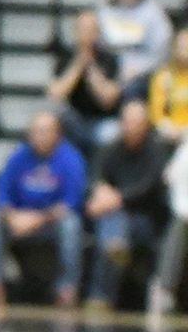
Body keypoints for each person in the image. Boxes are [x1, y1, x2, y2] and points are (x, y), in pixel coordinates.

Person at [0, 110, 86, 308]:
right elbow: (2, 194)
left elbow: (71, 202)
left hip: (51, 222)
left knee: (71, 224)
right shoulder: (18, 157)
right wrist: (12, 217)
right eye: (36, 131)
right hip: (19, 220)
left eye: (46, 131)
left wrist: (38, 219)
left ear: (57, 134)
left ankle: (67, 288)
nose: (40, 136)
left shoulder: (70, 159)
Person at [86, 100, 174, 310]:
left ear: (147, 125)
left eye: (137, 122)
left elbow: (150, 187)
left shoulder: (157, 150)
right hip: (112, 213)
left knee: (115, 228)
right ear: (121, 124)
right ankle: (115, 255)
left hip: (145, 217)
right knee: (113, 227)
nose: (132, 127)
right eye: (128, 122)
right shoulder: (110, 148)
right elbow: (96, 176)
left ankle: (100, 295)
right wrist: (100, 192)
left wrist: (117, 199)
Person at [51, 10, 123, 154]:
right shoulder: (66, 57)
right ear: (76, 31)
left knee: (111, 133)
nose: (87, 34)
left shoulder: (109, 58)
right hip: (74, 118)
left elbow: (109, 99)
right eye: (83, 29)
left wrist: (90, 68)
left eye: (91, 30)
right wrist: (78, 66)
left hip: (102, 119)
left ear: (98, 33)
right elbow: (55, 95)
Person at [99, 0, 174, 97]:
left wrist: (141, 68)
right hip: (110, 69)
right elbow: (98, 43)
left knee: (133, 89)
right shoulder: (106, 12)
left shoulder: (153, 13)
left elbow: (162, 51)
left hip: (143, 73)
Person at [151, 30, 188, 141]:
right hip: (169, 133)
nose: (185, 52)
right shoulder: (164, 76)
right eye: (182, 47)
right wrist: (169, 129)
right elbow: (157, 112)